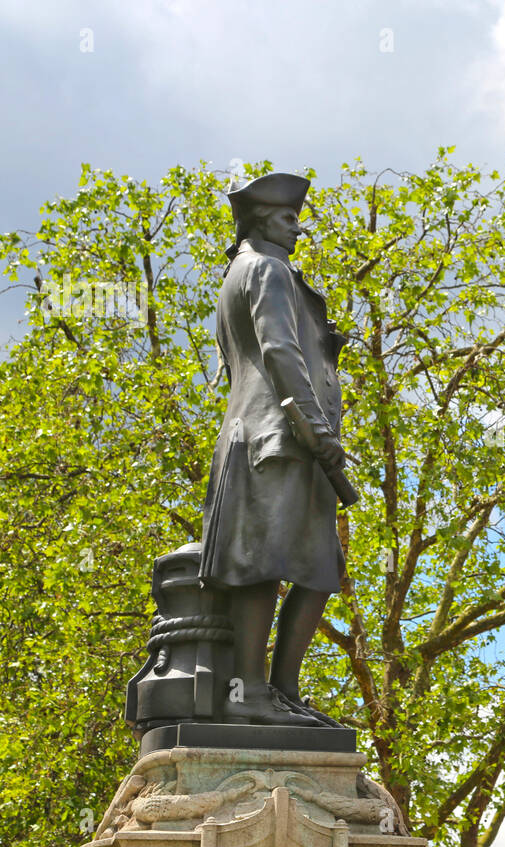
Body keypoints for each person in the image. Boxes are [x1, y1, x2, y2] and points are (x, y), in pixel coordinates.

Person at [199, 172, 348, 728]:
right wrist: (316, 428)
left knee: (317, 563)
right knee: (264, 564)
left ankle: (280, 691)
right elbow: (281, 352)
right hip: (279, 436)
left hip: (268, 435)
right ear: (262, 219)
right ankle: (251, 693)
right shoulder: (265, 269)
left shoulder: (239, 272)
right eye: (288, 219)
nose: (297, 228)